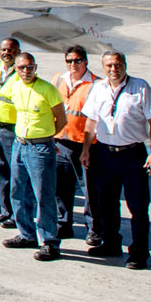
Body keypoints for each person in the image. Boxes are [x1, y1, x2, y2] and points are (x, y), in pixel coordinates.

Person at [80, 50, 151, 270]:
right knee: (106, 204)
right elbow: (91, 121)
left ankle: (139, 253)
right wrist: (86, 149)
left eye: (118, 65)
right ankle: (111, 244)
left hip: (133, 155)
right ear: (103, 67)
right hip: (105, 154)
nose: (114, 70)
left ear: (125, 65)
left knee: (138, 206)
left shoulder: (140, 87)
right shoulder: (98, 89)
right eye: (109, 66)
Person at [0, 52, 66, 261]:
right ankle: (26, 234)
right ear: (16, 69)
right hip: (20, 144)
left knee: (43, 195)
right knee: (18, 191)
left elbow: (61, 120)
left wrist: (46, 138)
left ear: (35, 67)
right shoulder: (14, 85)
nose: (26, 72)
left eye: (30, 67)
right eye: (21, 68)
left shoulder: (48, 89)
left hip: (40, 148)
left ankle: (50, 242)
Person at [52, 45, 98, 240]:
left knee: (90, 191)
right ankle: (64, 224)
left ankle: (94, 230)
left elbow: (95, 119)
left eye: (77, 60)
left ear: (85, 61)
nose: (73, 64)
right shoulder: (58, 80)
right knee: (61, 188)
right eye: (69, 61)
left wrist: (87, 148)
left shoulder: (96, 84)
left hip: (85, 145)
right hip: (61, 142)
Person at [0, 37, 23, 228]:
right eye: (3, 49)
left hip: (12, 129)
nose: (6, 53)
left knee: (16, 175)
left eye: (11, 50)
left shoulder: (21, 73)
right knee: (0, 171)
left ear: (18, 51)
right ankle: (5, 210)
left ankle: (18, 215)